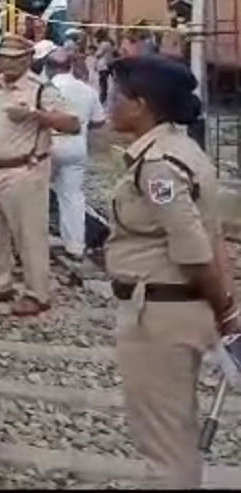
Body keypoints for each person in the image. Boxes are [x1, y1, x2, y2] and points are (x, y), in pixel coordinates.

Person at [104, 55, 238, 487]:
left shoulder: (159, 164)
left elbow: (194, 250)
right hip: (173, 307)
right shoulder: (181, 149)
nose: (108, 104)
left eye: (115, 96)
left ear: (140, 105)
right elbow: (212, 235)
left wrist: (225, 309)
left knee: (163, 443)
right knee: (176, 433)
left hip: (159, 314)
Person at [0, 35, 81, 316]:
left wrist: (35, 115)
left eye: (15, 59)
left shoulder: (41, 90)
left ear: (28, 59)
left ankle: (37, 293)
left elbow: (72, 124)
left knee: (29, 235)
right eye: (4, 58)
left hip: (22, 170)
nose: (8, 63)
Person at [42, 50, 106, 261]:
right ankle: (75, 246)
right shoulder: (87, 90)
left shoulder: (44, 89)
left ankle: (36, 241)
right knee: (72, 196)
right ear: (70, 66)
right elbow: (99, 121)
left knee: (37, 193)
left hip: (48, 145)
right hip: (77, 147)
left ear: (48, 68)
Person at [94, 28, 116, 104]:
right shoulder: (110, 43)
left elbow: (98, 54)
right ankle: (113, 97)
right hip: (109, 63)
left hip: (103, 65)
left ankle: (103, 98)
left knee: (103, 83)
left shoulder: (104, 44)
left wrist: (95, 52)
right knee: (113, 81)